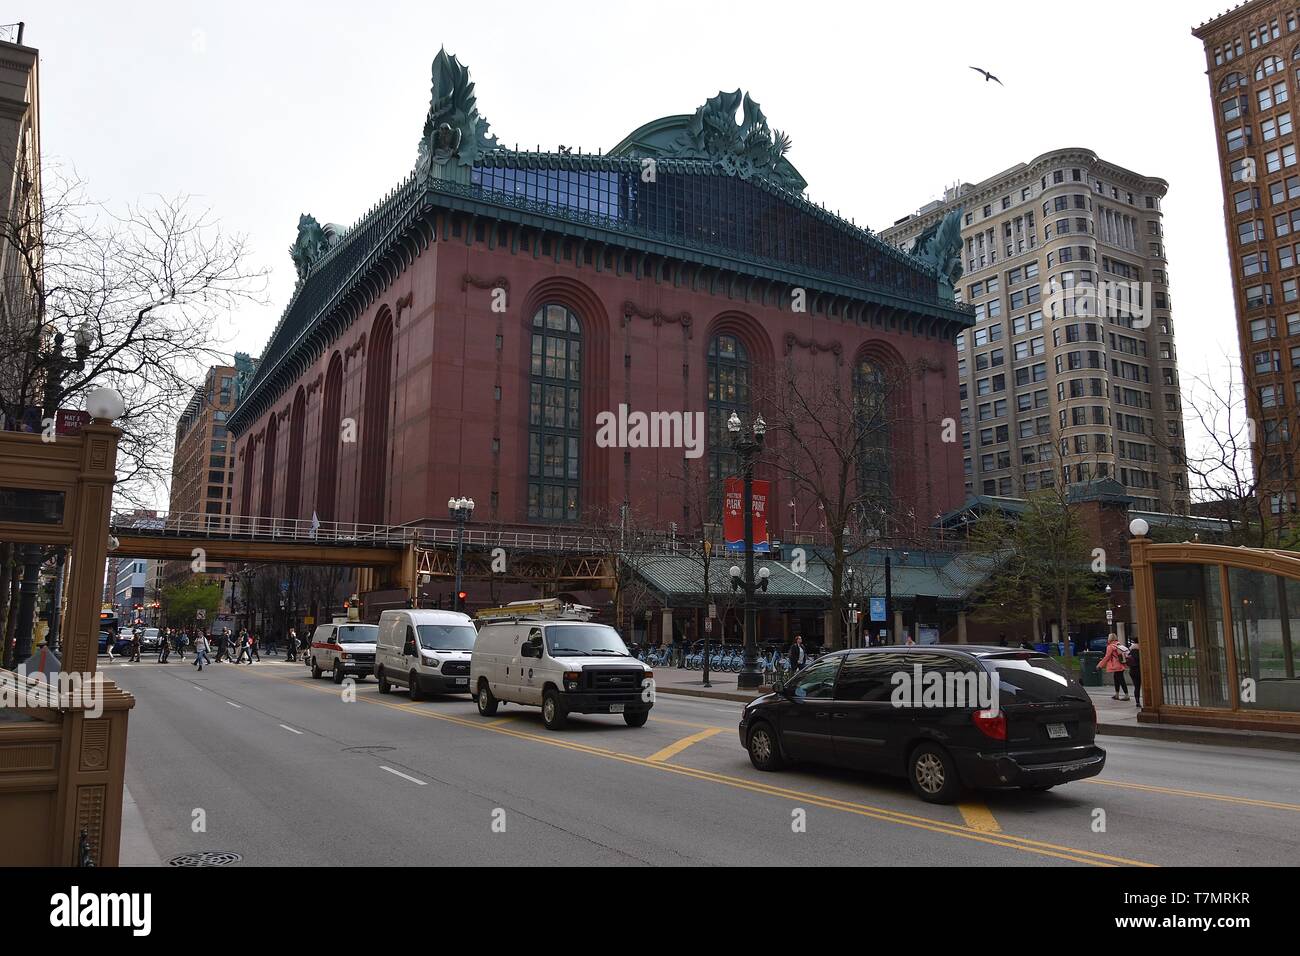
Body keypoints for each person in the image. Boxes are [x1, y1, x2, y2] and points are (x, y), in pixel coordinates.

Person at [1099, 634, 1130, 701]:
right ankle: (1117, 694)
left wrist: (1100, 665)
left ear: (1109, 639)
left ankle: (1126, 695)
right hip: (1121, 665)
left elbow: (1107, 657)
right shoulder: (1118, 645)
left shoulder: (1110, 647)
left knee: (1121, 680)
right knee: (1117, 679)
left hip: (1116, 665)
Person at [1126, 638, 1142, 707]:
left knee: (1137, 687)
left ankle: (1137, 701)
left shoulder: (1130, 651)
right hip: (1140, 670)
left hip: (1132, 671)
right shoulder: (1140, 651)